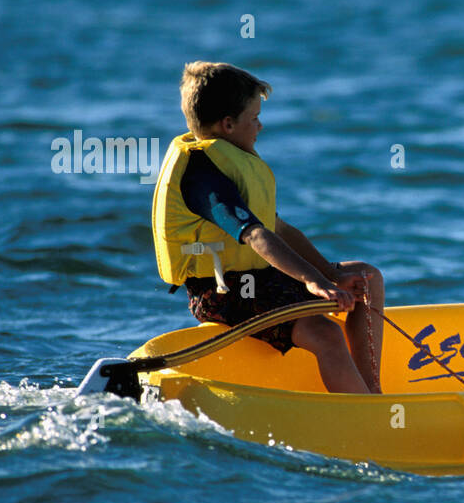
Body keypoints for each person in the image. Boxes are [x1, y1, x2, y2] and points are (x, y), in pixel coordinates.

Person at [151, 61, 384, 393]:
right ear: (228, 124)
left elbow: (280, 230)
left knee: (366, 278)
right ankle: (366, 420)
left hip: (262, 280)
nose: (260, 126)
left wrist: (329, 273)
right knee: (326, 333)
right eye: (254, 118)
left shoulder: (233, 161)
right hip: (224, 292)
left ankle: (373, 395)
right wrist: (315, 282)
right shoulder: (203, 176)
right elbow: (256, 236)